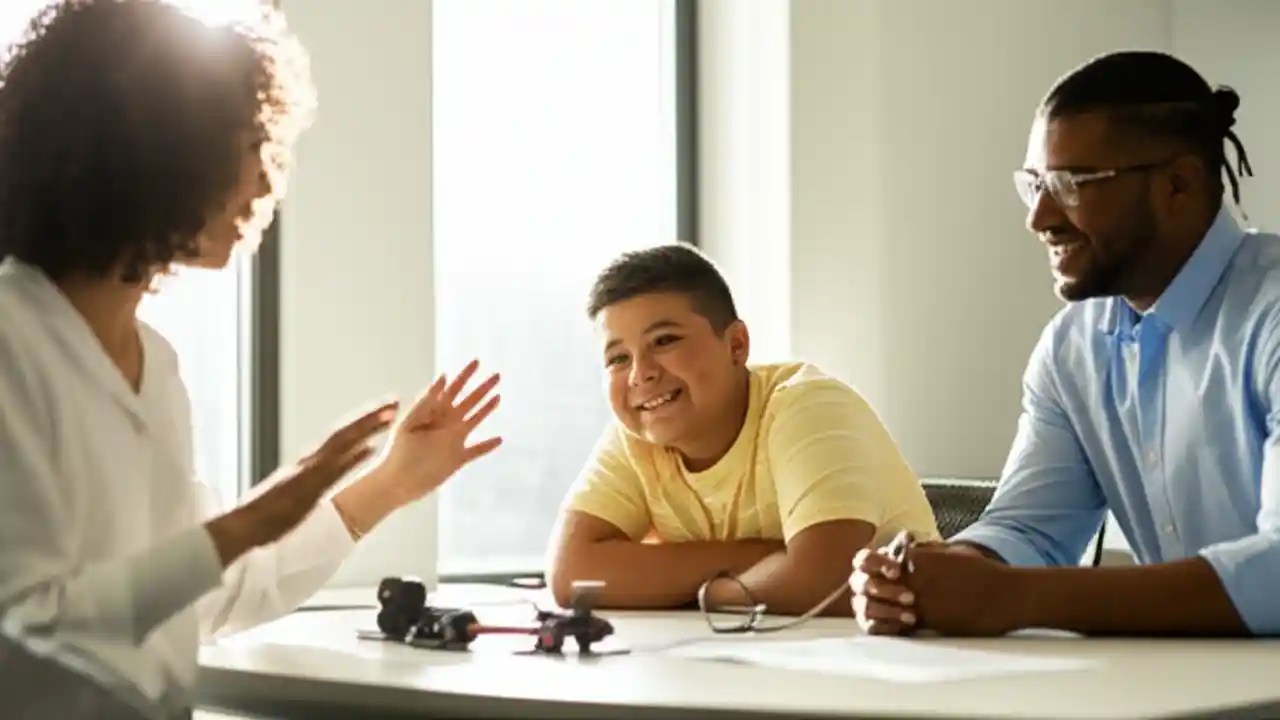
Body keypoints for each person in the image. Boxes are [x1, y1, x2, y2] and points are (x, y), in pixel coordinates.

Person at [0, 1, 502, 715]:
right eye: (242, 147)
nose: (265, 184)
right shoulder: (13, 345)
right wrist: (242, 527)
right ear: (145, 151)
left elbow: (209, 591)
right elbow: (24, 635)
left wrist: (391, 481)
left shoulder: (155, 366)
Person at [849, 50, 1278, 637]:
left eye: (1071, 184)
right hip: (1184, 681)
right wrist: (939, 574)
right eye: (1035, 185)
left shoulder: (1270, 314)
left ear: (1178, 184)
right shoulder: (1073, 347)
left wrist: (1014, 598)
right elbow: (1029, 531)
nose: (1039, 217)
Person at [545, 244, 938, 617]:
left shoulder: (806, 404)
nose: (640, 374)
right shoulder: (638, 435)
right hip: (758, 650)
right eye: (618, 358)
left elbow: (826, 578)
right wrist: (773, 559)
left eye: (664, 341)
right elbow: (571, 573)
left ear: (736, 345)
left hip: (905, 653)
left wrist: (709, 594)